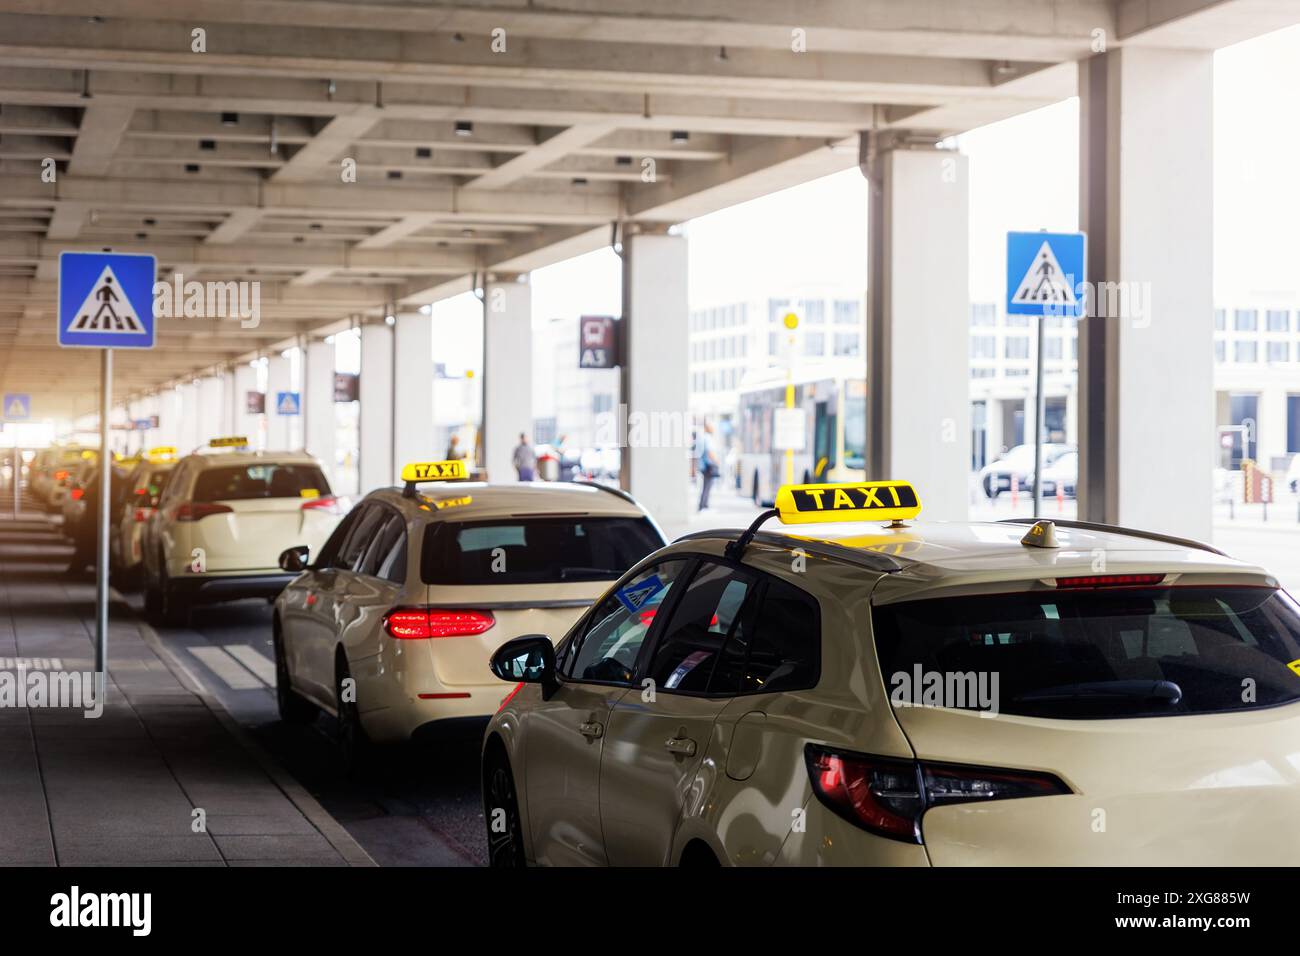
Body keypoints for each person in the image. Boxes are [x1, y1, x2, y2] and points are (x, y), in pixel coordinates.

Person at [697, 421, 719, 511]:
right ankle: (703, 505)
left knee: (706, 485)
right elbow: (709, 451)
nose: (713, 429)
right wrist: (716, 461)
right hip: (708, 466)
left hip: (704, 466)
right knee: (707, 486)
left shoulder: (703, 438)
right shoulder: (707, 438)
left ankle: (703, 504)